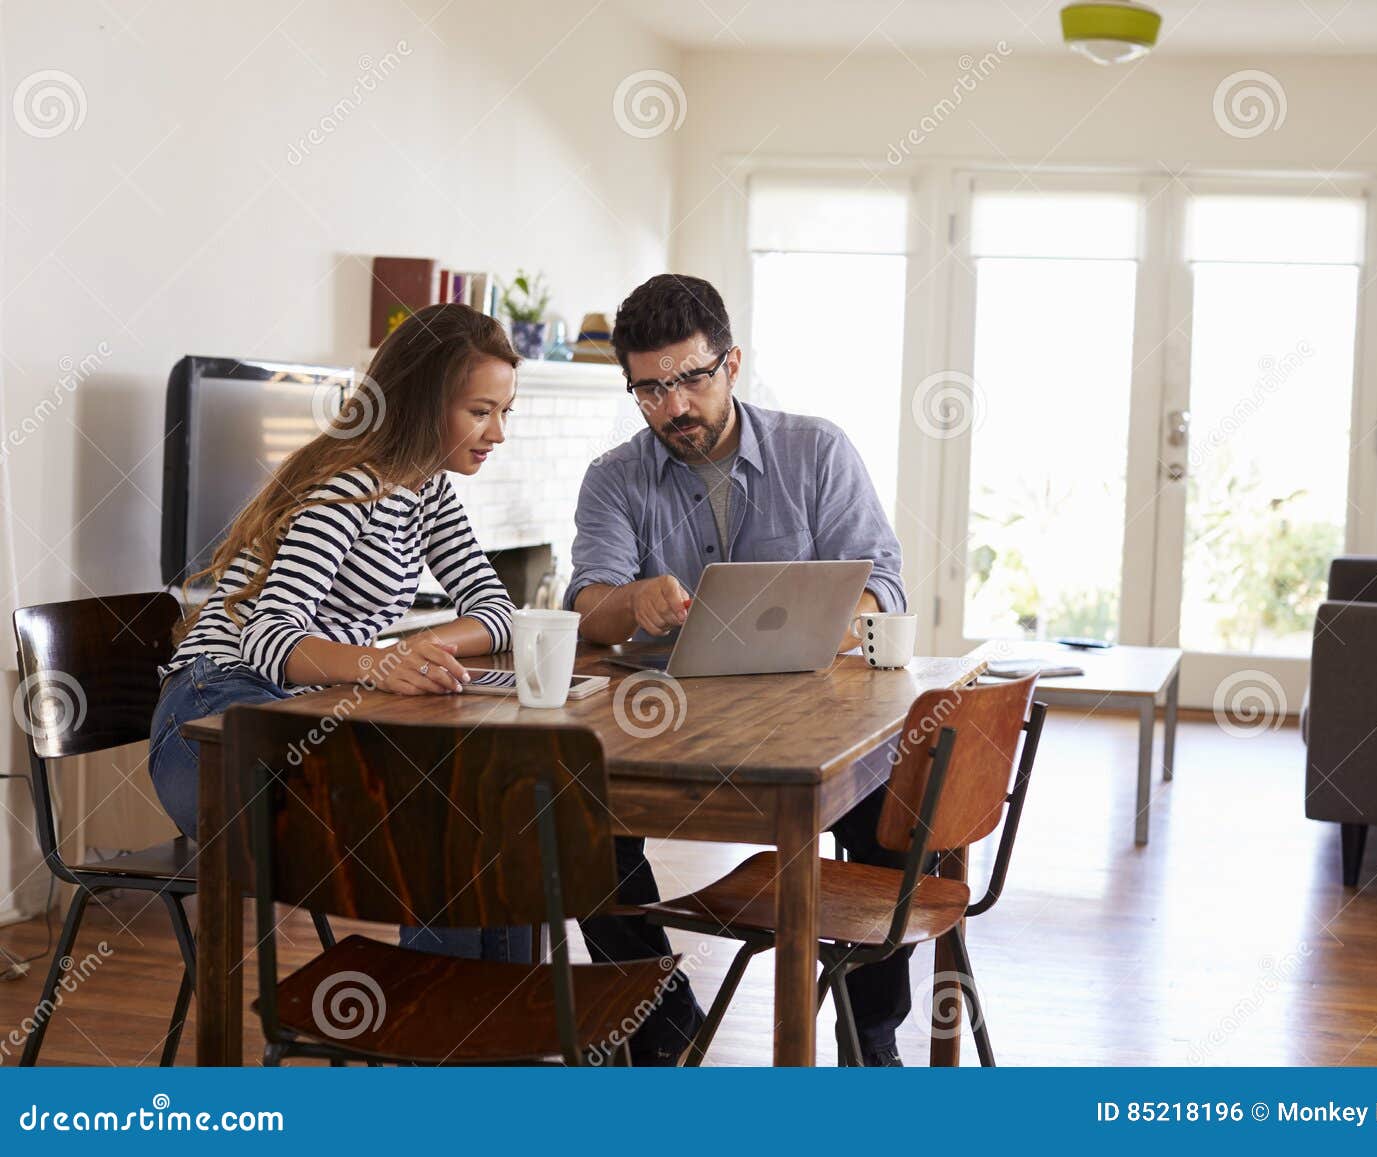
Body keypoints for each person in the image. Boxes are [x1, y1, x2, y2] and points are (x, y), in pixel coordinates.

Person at [564, 273, 915, 1065]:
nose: (674, 407)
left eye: (690, 379)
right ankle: (659, 1010)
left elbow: (884, 586)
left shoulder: (815, 449)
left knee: (891, 813)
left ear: (731, 364)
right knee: (574, 821)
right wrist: (633, 603)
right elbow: (588, 603)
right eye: (649, 390)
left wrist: (839, 616)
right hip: (666, 722)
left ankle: (871, 1038)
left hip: (813, 717)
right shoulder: (613, 477)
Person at [149, 302, 526, 962]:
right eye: (479, 410)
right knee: (446, 829)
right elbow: (267, 637)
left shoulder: (426, 491)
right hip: (212, 725)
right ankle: (442, 1043)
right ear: (421, 400)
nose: (497, 431)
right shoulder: (347, 486)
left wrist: (421, 647)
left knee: (487, 821)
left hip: (298, 712)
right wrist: (379, 663)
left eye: (505, 411)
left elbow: (497, 612)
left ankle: (495, 1044)